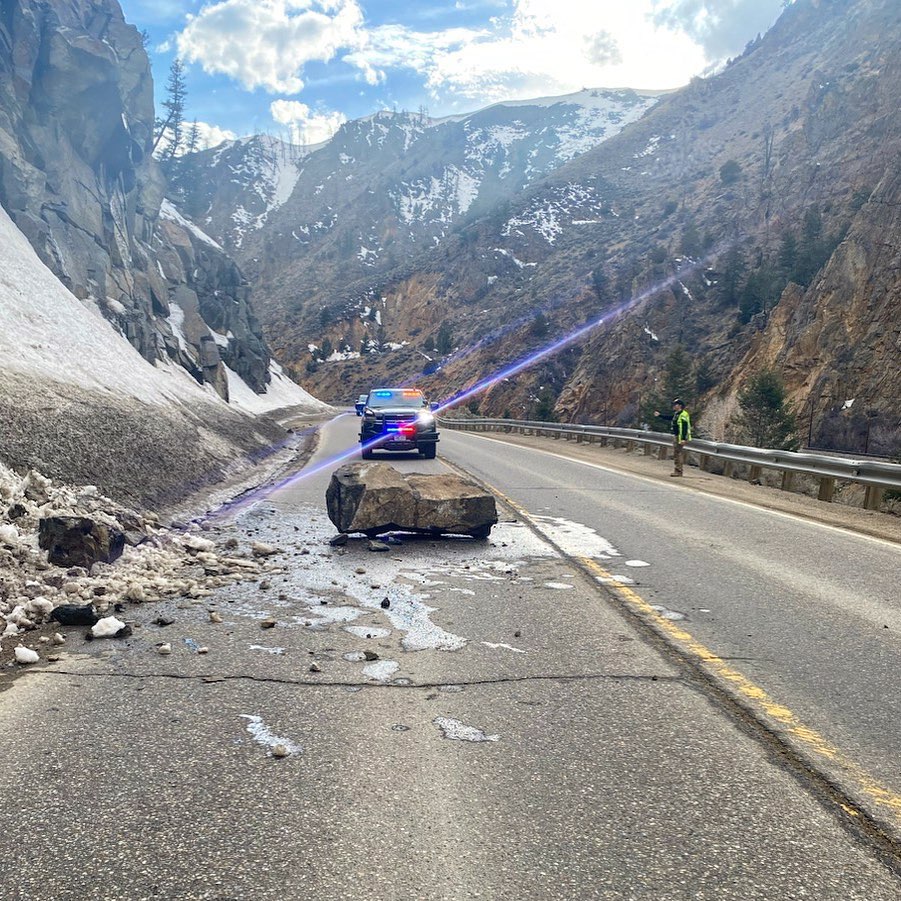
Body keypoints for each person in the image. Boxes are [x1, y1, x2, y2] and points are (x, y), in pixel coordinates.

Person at [654, 399, 692, 477]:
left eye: (675, 405)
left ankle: (678, 471)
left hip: (680, 436)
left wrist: (683, 439)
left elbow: (684, 427)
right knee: (676, 453)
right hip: (677, 435)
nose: (673, 406)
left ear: (680, 406)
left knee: (678, 453)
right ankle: (677, 470)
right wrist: (660, 415)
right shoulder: (676, 414)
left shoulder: (683, 414)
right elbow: (670, 418)